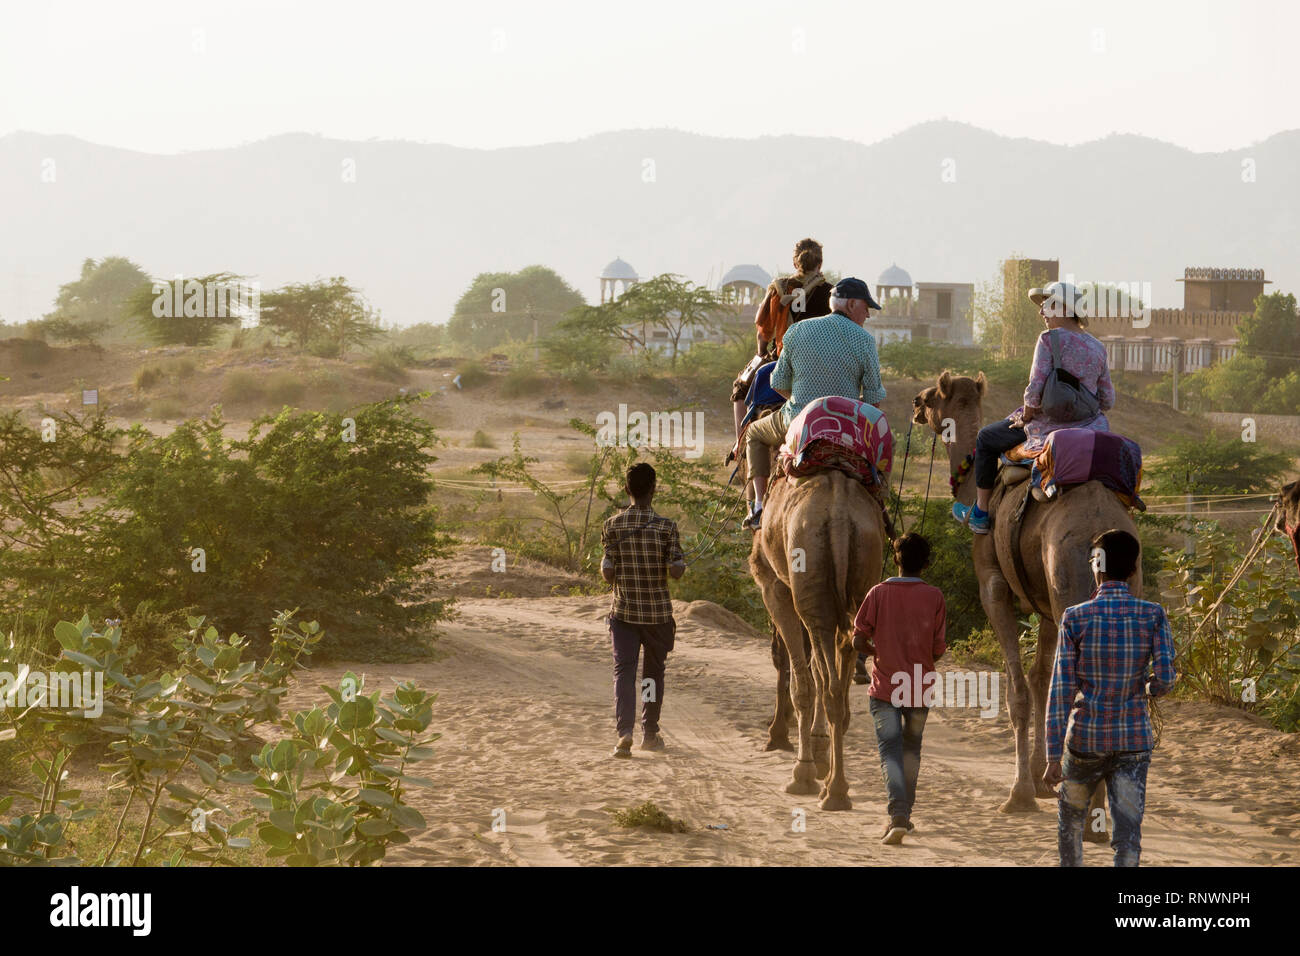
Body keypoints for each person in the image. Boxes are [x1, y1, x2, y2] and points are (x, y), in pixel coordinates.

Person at [1044, 529, 1176, 867]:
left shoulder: (1074, 617)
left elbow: (1061, 690)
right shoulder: (1153, 615)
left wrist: (1052, 755)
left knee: (1070, 825)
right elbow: (1164, 681)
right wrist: (1147, 688)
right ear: (1133, 570)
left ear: (1095, 567)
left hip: (1085, 740)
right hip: (1133, 741)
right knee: (1128, 835)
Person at [953, 281, 1115, 533]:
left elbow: (1035, 389)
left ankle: (981, 513)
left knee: (985, 438)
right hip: (1091, 428)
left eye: (1047, 306)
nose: (1041, 313)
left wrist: (1026, 416)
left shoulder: (1049, 340)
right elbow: (1107, 400)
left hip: (1047, 428)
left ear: (1063, 308)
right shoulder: (1098, 347)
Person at [742, 276, 885, 530]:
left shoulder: (797, 331)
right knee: (889, 441)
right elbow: (874, 400)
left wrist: (802, 401)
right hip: (845, 427)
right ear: (852, 305)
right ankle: (880, 504)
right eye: (867, 307)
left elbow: (778, 383)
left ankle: (759, 506)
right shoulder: (865, 341)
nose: (868, 315)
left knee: (753, 432)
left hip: (798, 421)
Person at [853, 533, 947, 845]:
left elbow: (857, 639)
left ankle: (898, 815)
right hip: (918, 688)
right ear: (928, 563)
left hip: (884, 688)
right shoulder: (935, 597)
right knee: (911, 750)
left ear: (896, 559)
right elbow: (937, 649)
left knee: (889, 751)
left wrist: (876, 650)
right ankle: (904, 813)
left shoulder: (878, 592)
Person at [601, 463, 686, 758]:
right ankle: (649, 733)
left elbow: (608, 571)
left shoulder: (612, 526)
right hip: (657, 617)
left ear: (627, 490)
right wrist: (677, 562)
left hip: (624, 614)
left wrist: (614, 568)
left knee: (623, 672)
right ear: (654, 489)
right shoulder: (667, 528)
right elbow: (676, 572)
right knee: (651, 675)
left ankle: (624, 732)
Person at [731, 238, 834, 459]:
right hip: (823, 361)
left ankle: (739, 446)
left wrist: (761, 354)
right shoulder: (831, 293)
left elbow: (763, 329)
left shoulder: (779, 288)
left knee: (740, 388)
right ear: (820, 264)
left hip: (783, 358)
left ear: (795, 262)